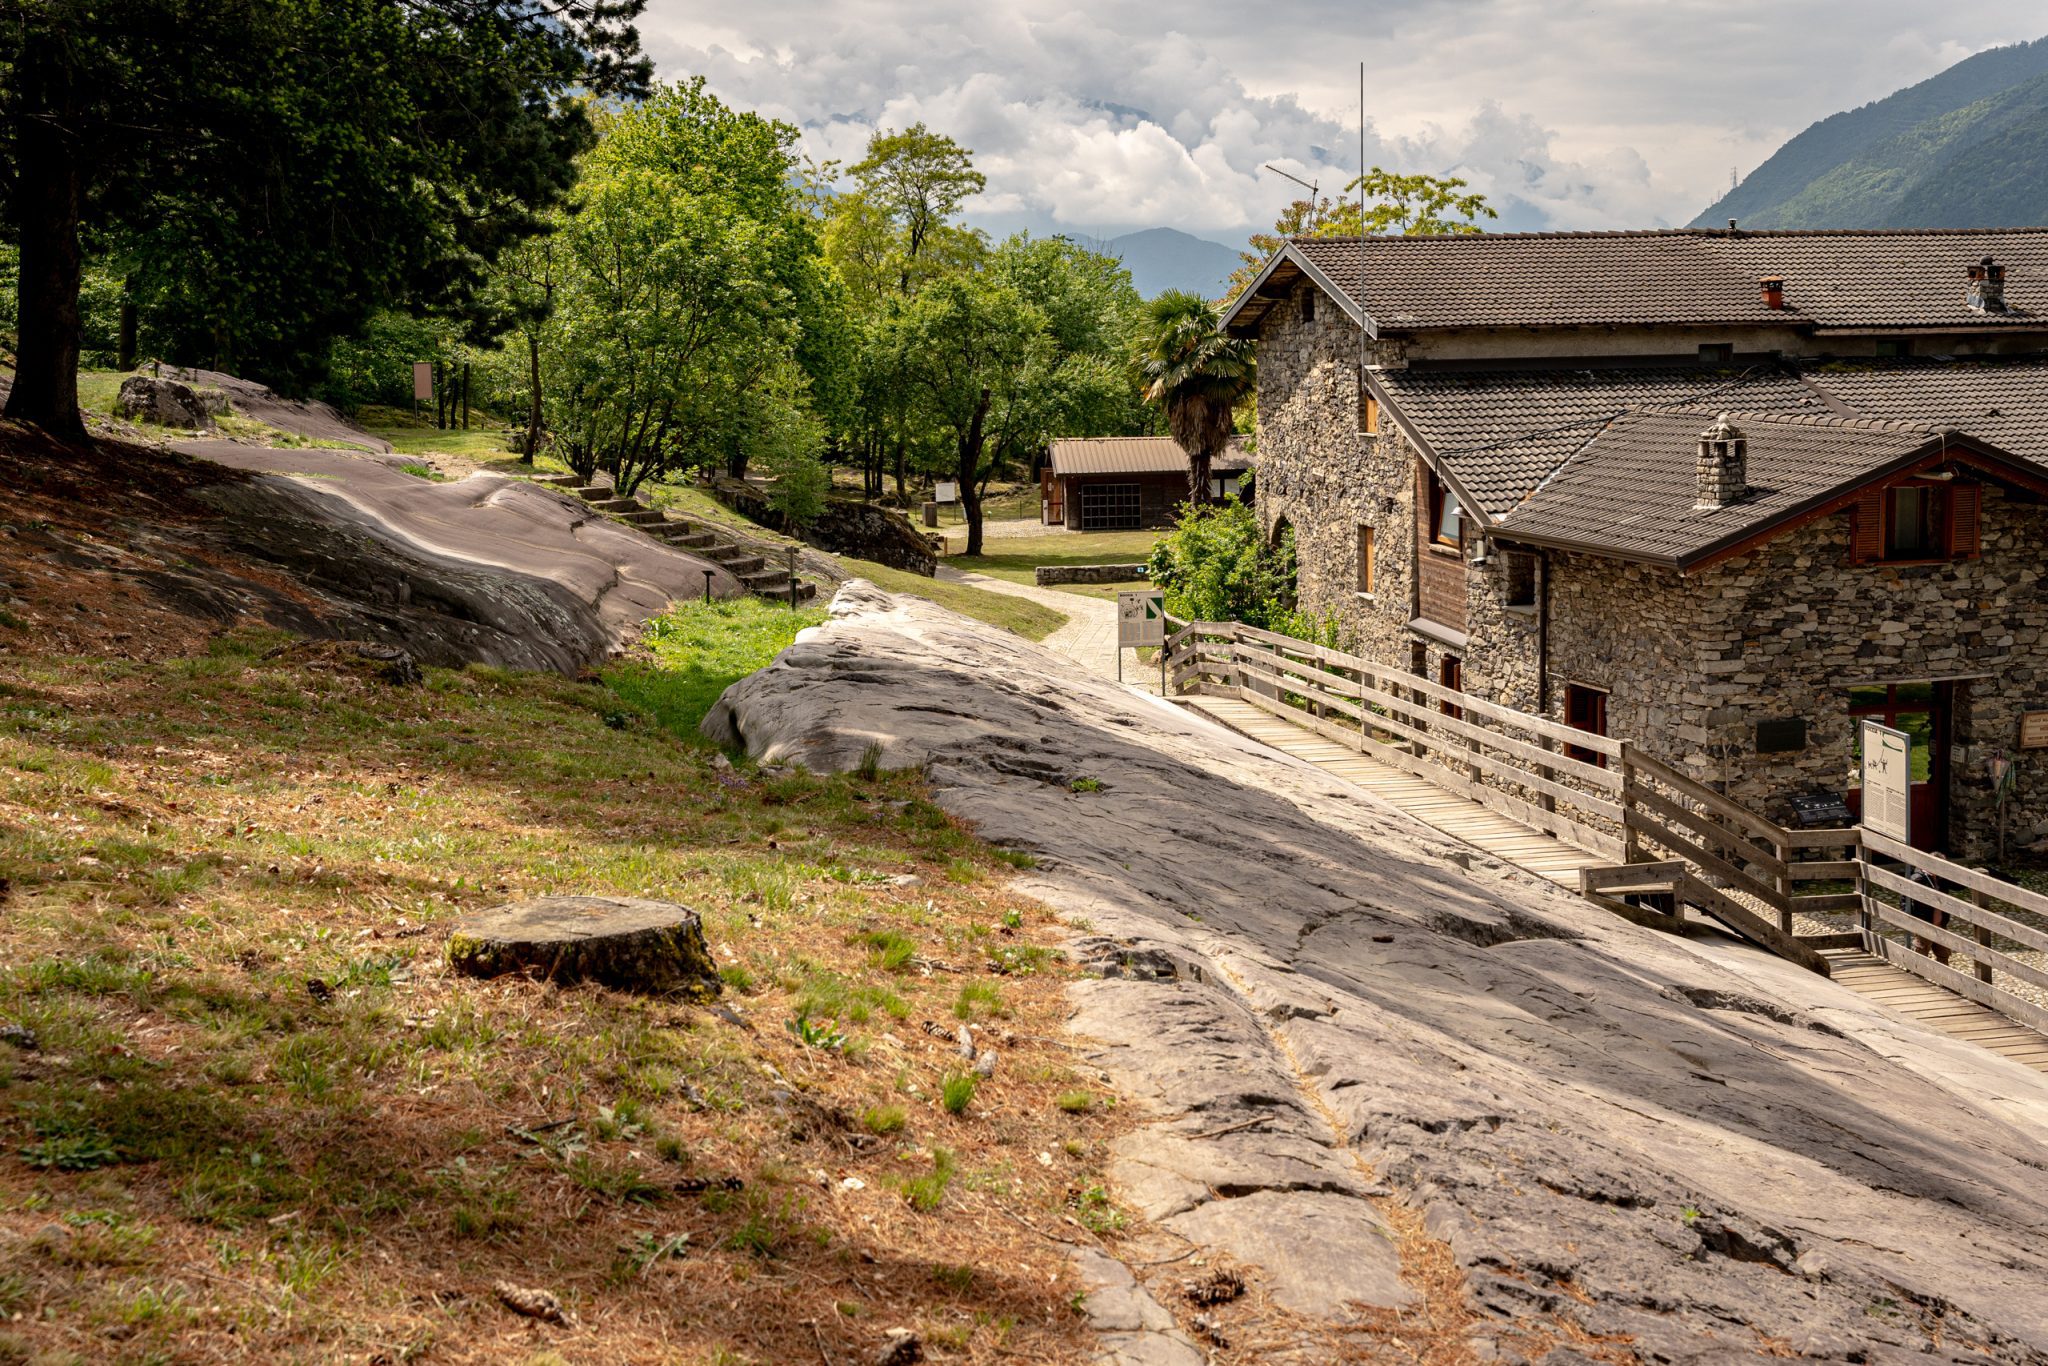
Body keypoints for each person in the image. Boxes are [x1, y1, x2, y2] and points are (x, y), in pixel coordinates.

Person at [1901, 855, 1951, 966]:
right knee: (1921, 951)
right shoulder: (1918, 878)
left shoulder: (1941, 879)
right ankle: (1917, 976)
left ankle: (1944, 981)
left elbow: (1958, 886)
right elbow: (1905, 898)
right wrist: (1910, 918)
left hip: (1940, 923)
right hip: (1924, 922)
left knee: (1943, 953)